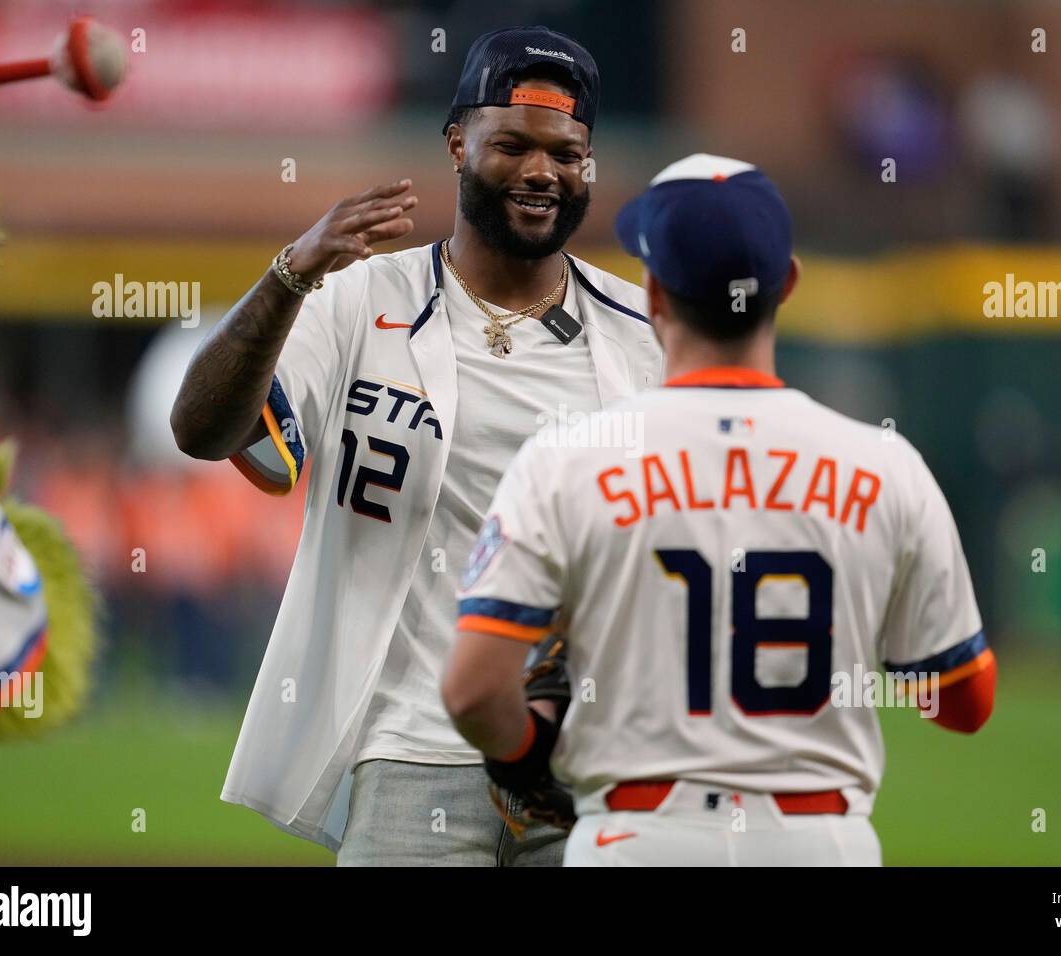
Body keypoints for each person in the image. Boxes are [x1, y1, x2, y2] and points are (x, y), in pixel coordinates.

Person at [169, 26, 662, 865]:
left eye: (567, 154)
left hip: (591, 756)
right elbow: (202, 431)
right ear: (457, 144)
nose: (542, 171)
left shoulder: (648, 330)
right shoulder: (360, 298)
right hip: (413, 751)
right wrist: (290, 274)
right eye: (512, 144)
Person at [442, 153, 996, 866]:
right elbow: (964, 702)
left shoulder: (569, 459)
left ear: (654, 295)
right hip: (821, 841)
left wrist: (529, 754)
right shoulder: (887, 467)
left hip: (638, 838)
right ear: (787, 284)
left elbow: (472, 690)